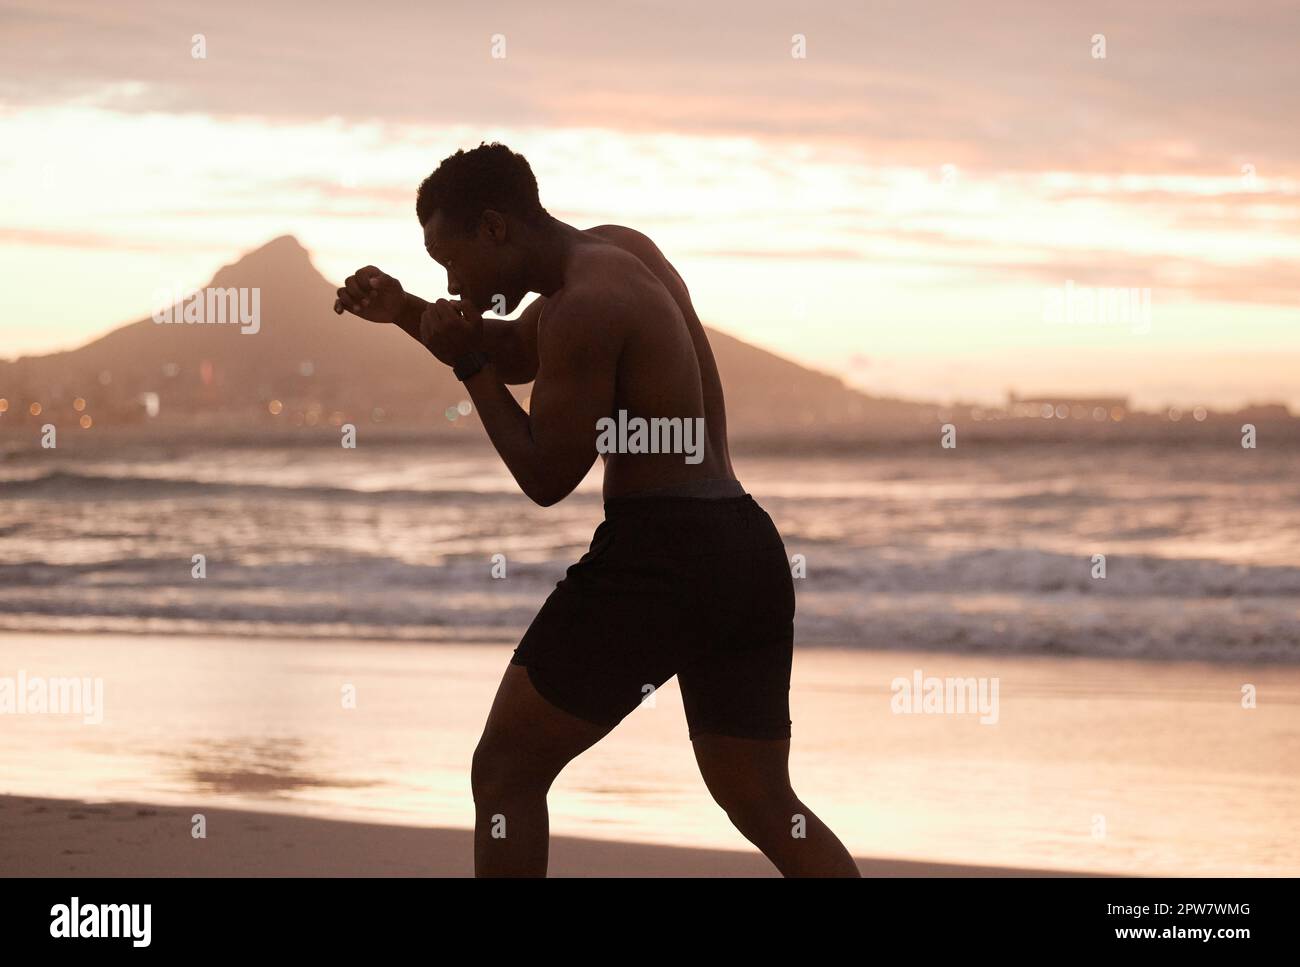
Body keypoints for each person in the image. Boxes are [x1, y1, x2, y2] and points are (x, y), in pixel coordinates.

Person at [334, 141, 859, 877]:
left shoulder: (585, 305)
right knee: (762, 797)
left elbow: (546, 475)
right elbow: (523, 348)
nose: (450, 283)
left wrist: (468, 366)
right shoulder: (616, 254)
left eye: (448, 262)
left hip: (663, 555)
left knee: (506, 769)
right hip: (743, 545)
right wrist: (405, 313)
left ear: (495, 229)